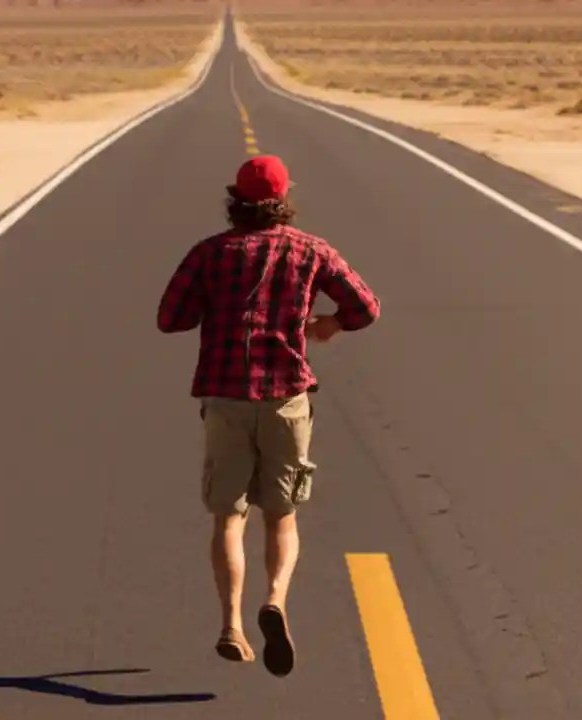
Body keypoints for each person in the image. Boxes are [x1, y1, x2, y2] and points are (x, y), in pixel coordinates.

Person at [156, 155, 380, 677]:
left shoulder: (210, 253)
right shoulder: (311, 250)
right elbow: (365, 307)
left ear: (235, 199)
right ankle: (275, 600)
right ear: (284, 200)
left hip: (226, 398)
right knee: (282, 513)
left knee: (229, 515)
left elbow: (169, 319)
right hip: (285, 398)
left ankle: (231, 625)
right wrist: (327, 325)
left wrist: (213, 310)